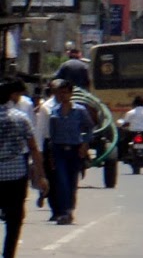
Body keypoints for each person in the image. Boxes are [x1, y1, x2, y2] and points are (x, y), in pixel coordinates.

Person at [0, 78, 46, 258]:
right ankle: (8, 254)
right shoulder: (21, 118)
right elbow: (34, 148)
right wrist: (41, 175)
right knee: (14, 219)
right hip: (16, 175)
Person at [43, 80, 92, 225]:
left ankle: (70, 210)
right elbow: (52, 134)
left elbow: (89, 128)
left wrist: (85, 144)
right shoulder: (54, 112)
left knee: (71, 182)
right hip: (59, 150)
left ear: (71, 94)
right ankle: (64, 212)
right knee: (61, 181)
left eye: (66, 92)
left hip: (75, 150)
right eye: (60, 93)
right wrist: (50, 153)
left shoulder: (80, 111)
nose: (63, 95)